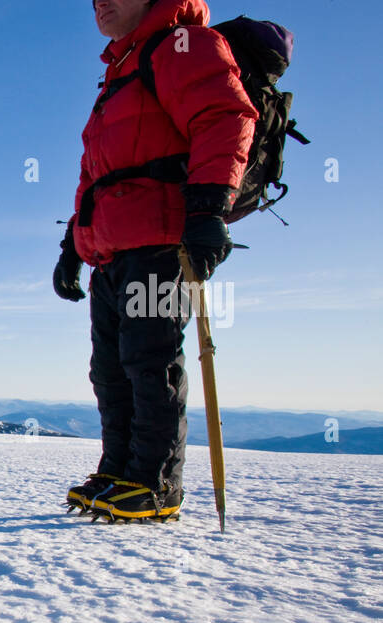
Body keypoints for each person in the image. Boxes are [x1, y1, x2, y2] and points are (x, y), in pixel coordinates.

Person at [54, 0, 257, 522]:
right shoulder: (119, 74)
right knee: (109, 371)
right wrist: (71, 249)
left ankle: (156, 483)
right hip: (110, 252)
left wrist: (210, 208)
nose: (100, 3)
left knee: (149, 362)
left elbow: (224, 116)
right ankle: (119, 470)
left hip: (161, 244)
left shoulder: (183, 46)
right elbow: (95, 178)